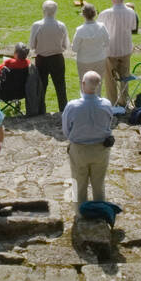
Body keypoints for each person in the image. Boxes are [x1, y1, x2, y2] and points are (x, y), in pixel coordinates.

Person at [61, 71, 115, 203]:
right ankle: (100, 214)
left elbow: (66, 130)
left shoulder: (72, 106)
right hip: (100, 149)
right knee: (99, 184)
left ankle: (80, 213)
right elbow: (109, 124)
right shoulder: (107, 104)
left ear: (83, 84)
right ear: (99, 85)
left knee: (78, 184)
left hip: (79, 149)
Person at [29, 0, 71, 113]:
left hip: (42, 59)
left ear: (43, 11)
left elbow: (32, 45)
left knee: (41, 86)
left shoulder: (37, 25)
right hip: (57, 58)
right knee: (60, 86)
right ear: (56, 11)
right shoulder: (61, 26)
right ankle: (63, 110)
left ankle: (40, 110)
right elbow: (65, 45)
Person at [100, 0, 137, 108]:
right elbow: (133, 27)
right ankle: (123, 101)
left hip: (111, 50)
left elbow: (99, 29)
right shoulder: (131, 12)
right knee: (125, 77)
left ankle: (112, 103)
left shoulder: (106, 13)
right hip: (125, 48)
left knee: (110, 79)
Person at [71, 3, 110, 86]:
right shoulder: (102, 27)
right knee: (98, 83)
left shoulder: (80, 30)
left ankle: (86, 99)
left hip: (84, 61)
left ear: (83, 15)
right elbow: (107, 42)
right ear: (95, 13)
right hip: (99, 59)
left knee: (84, 83)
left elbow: (74, 48)